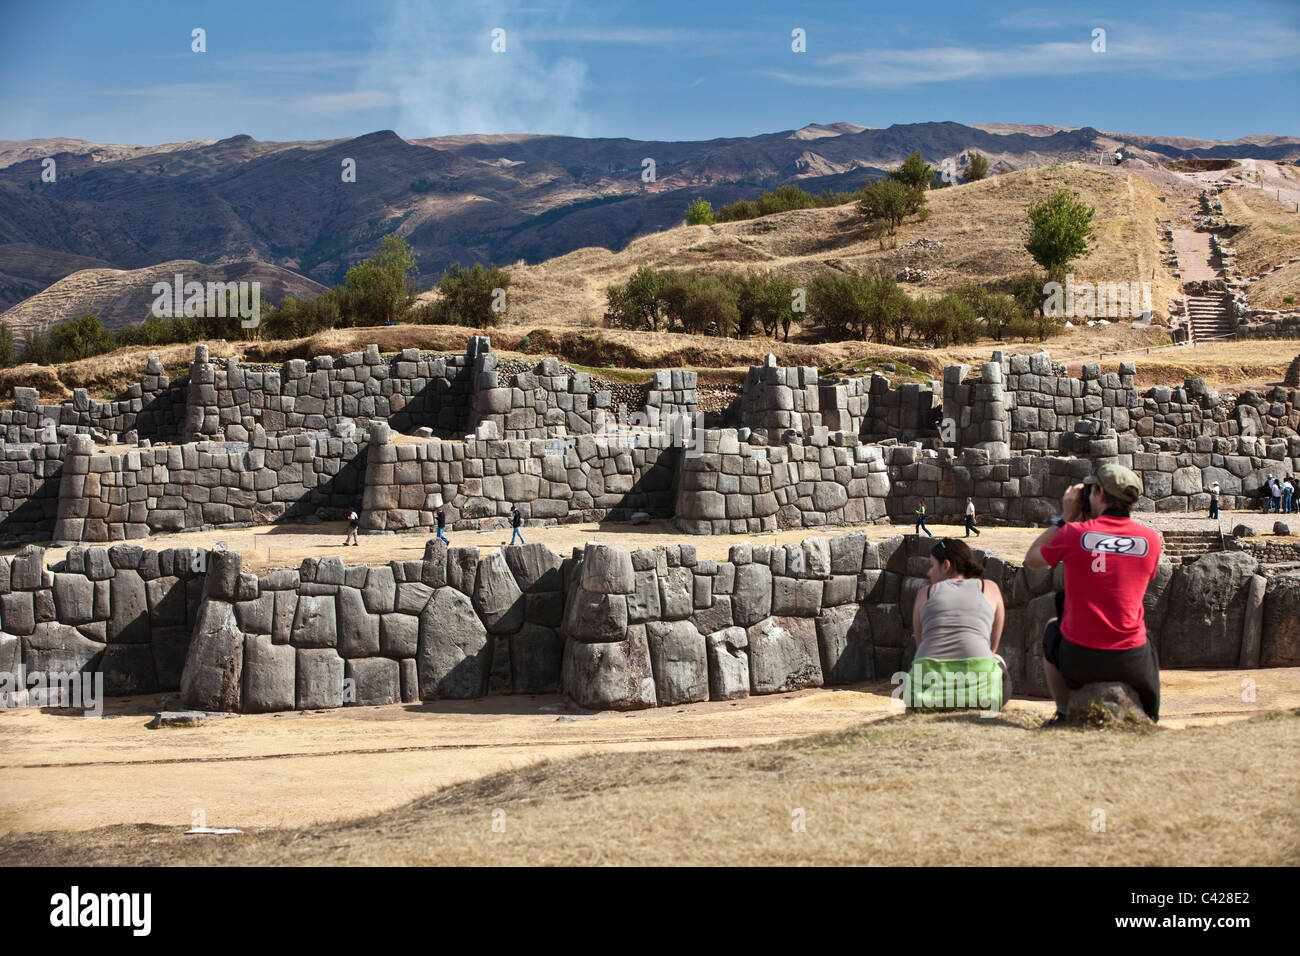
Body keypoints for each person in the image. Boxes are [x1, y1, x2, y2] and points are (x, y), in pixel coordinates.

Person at [1024, 463, 1162, 725]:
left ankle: (1063, 713)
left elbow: (1031, 559)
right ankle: (1150, 715)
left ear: (1098, 493)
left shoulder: (1074, 533)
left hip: (1080, 659)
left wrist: (1064, 517)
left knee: (1052, 628)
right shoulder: (1151, 540)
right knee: (1147, 636)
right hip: (1132, 660)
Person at [908, 538, 1007, 710]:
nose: (928, 573)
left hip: (925, 693)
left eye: (932, 566)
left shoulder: (925, 594)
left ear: (946, 565)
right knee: (997, 660)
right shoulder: (990, 588)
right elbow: (992, 648)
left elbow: (921, 643)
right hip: (981, 693)